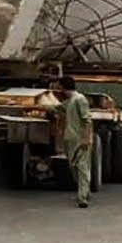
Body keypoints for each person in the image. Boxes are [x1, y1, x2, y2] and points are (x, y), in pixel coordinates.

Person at [50, 75, 94, 208]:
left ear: (63, 87)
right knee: (73, 166)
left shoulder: (80, 100)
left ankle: (82, 198)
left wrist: (86, 138)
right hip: (70, 139)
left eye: (59, 86)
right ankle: (85, 191)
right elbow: (55, 109)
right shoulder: (69, 102)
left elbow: (87, 120)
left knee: (82, 167)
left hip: (81, 139)